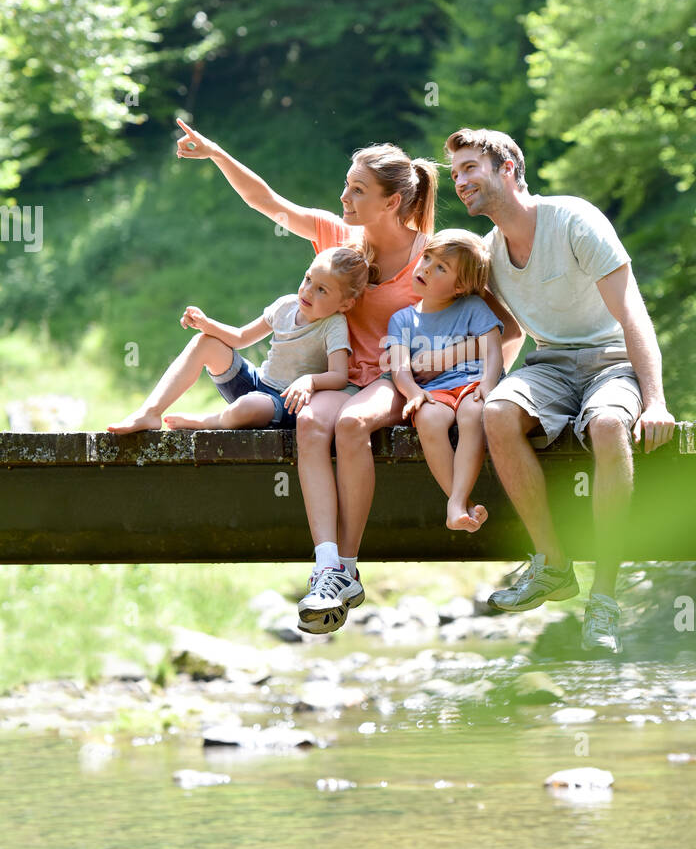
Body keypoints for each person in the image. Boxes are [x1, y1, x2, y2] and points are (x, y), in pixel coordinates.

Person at [172, 119, 517, 634]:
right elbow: (271, 204)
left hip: (394, 381)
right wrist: (219, 153)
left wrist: (474, 383)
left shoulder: (434, 253)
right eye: (347, 184)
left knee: (353, 426)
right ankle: (327, 567)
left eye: (358, 189)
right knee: (311, 423)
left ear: (392, 202)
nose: (344, 196)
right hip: (339, 379)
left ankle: (349, 567)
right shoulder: (340, 239)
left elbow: (503, 330)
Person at [446, 126, 676, 654]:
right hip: (548, 363)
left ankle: (605, 597)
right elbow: (506, 332)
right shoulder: (489, 252)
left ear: (507, 169)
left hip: (610, 362)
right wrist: (484, 386)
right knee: (498, 412)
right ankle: (552, 565)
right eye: (455, 173)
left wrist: (656, 399)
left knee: (609, 424)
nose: (460, 182)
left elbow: (631, 314)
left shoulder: (574, 219)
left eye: (470, 169)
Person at [107, 246, 367, 433]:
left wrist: (309, 381)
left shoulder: (333, 324)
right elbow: (242, 338)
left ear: (345, 304)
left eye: (322, 290)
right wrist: (208, 325)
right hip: (257, 383)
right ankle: (150, 412)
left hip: (284, 403)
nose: (308, 291)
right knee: (205, 343)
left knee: (249, 406)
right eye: (308, 279)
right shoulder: (286, 305)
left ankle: (211, 421)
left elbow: (339, 376)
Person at [387, 230, 504, 533]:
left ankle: (456, 503)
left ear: (461, 285)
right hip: (434, 391)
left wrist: (489, 384)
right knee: (428, 419)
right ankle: (459, 504)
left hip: (472, 382)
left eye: (441, 267)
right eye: (427, 258)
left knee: (473, 414)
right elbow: (399, 367)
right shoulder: (402, 320)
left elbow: (492, 347)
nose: (425, 268)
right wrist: (412, 392)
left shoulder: (472, 308)